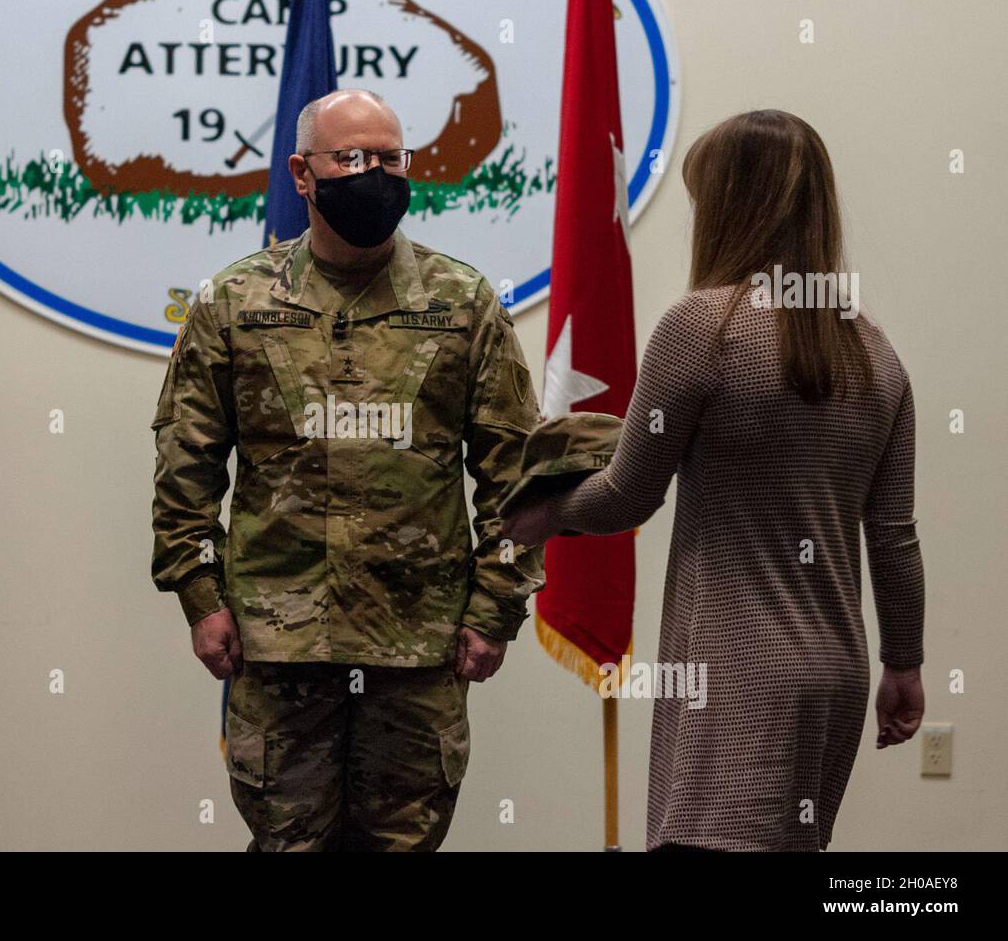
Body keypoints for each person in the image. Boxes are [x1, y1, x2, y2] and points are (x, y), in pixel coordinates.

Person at [503, 110, 925, 851]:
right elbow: (893, 541)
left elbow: (627, 495)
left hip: (736, 671)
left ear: (731, 208)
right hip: (841, 673)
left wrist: (542, 515)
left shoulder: (703, 328)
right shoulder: (877, 354)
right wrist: (906, 665)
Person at [151, 89, 543, 851]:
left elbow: (515, 475)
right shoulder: (233, 303)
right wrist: (200, 597)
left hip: (417, 650)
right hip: (278, 648)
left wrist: (496, 606)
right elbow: (185, 466)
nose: (377, 174)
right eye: (353, 158)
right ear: (301, 173)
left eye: (392, 158)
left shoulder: (463, 304)